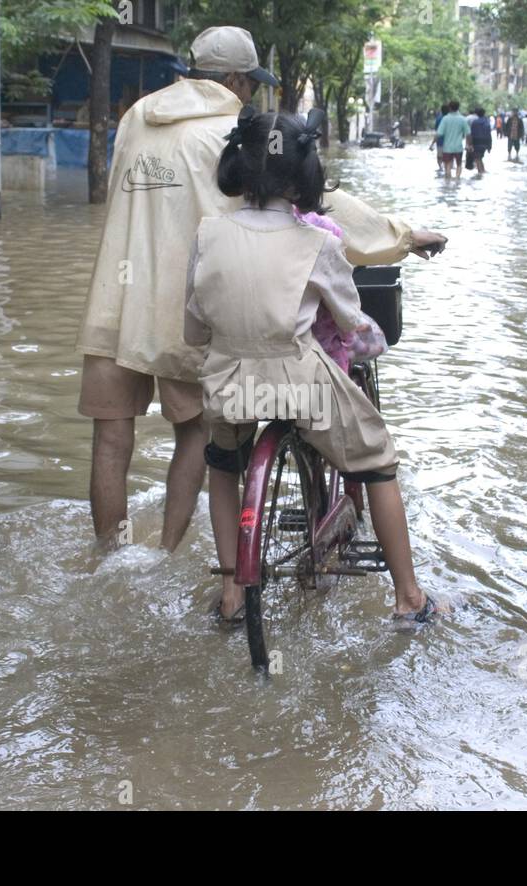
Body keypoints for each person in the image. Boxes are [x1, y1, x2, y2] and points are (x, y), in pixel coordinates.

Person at [76, 25, 448, 554]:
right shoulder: (237, 130)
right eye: (248, 82)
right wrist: (403, 236)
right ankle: (164, 554)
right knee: (195, 436)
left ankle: (109, 558)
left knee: (111, 436)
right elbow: (320, 203)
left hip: (115, 300)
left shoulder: (137, 116)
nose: (249, 92)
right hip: (188, 301)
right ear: (233, 78)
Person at [185, 109, 442, 625]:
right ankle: (410, 599)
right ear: (305, 174)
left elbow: (194, 329)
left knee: (222, 464)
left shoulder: (208, 233)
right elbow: (349, 321)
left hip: (227, 384)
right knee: (377, 458)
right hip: (300, 388)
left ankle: (234, 594)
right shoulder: (319, 241)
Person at [436, 100, 470, 179]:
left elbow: (439, 133)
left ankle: (448, 181)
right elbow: (468, 134)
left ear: (449, 108)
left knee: (447, 165)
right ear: (458, 107)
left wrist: (432, 143)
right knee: (458, 164)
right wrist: (469, 145)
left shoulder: (445, 119)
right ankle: (457, 180)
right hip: (458, 147)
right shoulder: (462, 119)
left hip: (447, 148)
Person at [468, 107, 492, 177]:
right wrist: (489, 146)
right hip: (485, 143)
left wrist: (470, 144)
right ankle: (483, 171)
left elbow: (471, 134)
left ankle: (480, 173)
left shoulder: (474, 122)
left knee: (477, 158)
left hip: (477, 143)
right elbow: (489, 135)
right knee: (479, 158)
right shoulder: (487, 122)